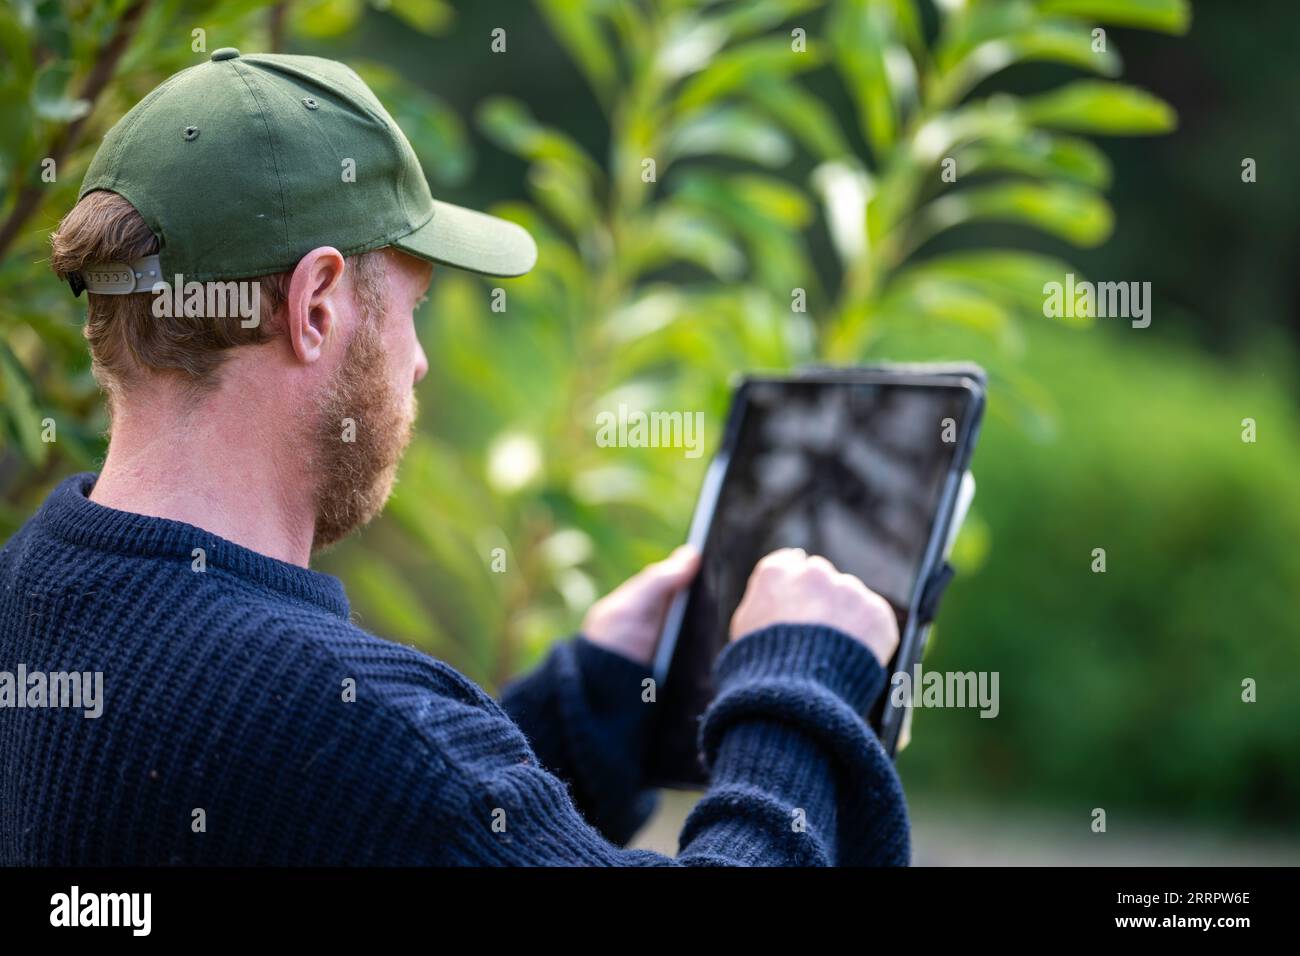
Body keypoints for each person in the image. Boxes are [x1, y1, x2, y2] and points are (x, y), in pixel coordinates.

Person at [0, 50, 909, 865]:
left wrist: (586, 707)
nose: (420, 360)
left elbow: (349, 822)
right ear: (316, 306)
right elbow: (375, 779)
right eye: (413, 306)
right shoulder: (347, 725)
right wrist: (799, 690)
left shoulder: (30, 595)